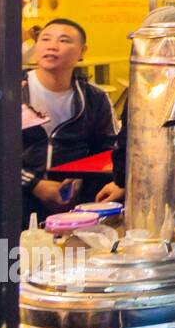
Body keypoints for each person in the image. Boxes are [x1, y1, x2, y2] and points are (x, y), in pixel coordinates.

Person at [21, 19, 119, 218]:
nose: (52, 46)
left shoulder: (94, 98)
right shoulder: (14, 90)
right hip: (17, 203)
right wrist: (35, 184)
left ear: (82, 51)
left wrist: (81, 179)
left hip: (75, 207)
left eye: (64, 41)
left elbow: (106, 151)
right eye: (45, 39)